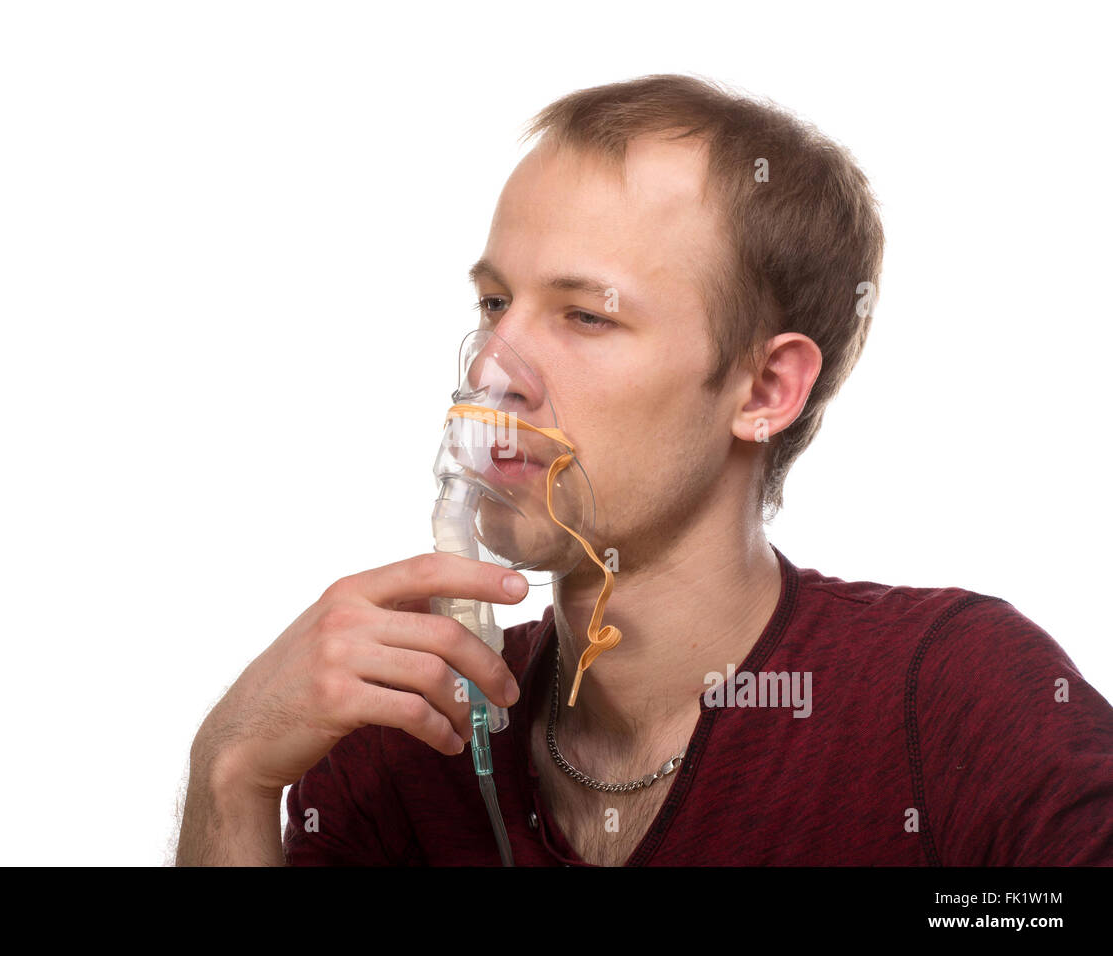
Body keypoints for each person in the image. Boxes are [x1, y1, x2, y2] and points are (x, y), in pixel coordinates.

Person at [175, 74, 1113, 866]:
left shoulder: (950, 699)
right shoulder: (412, 742)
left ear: (765, 387)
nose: (489, 372)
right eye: (496, 301)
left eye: (586, 315)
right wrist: (233, 767)